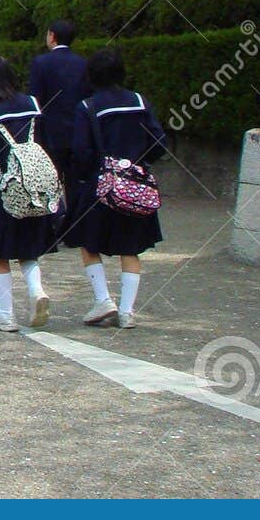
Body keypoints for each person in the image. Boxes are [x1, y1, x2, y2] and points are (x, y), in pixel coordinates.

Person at [67, 48, 167, 329]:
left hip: (101, 185)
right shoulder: (139, 101)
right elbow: (159, 141)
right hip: (136, 186)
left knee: (89, 243)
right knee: (131, 248)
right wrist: (138, 165)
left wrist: (88, 175)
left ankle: (103, 301)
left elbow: (81, 150)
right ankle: (126, 312)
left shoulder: (87, 107)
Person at [0, 55, 64, 331]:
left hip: (2, 190)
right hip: (34, 187)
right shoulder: (31, 104)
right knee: (29, 249)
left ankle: (5, 315)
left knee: (0, 255)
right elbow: (45, 141)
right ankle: (37, 291)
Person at [28, 18, 89, 186]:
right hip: (77, 129)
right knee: (75, 183)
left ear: (52, 36)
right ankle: (75, 211)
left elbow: (35, 98)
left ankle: (55, 211)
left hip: (50, 131)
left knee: (50, 181)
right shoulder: (83, 63)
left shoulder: (40, 63)